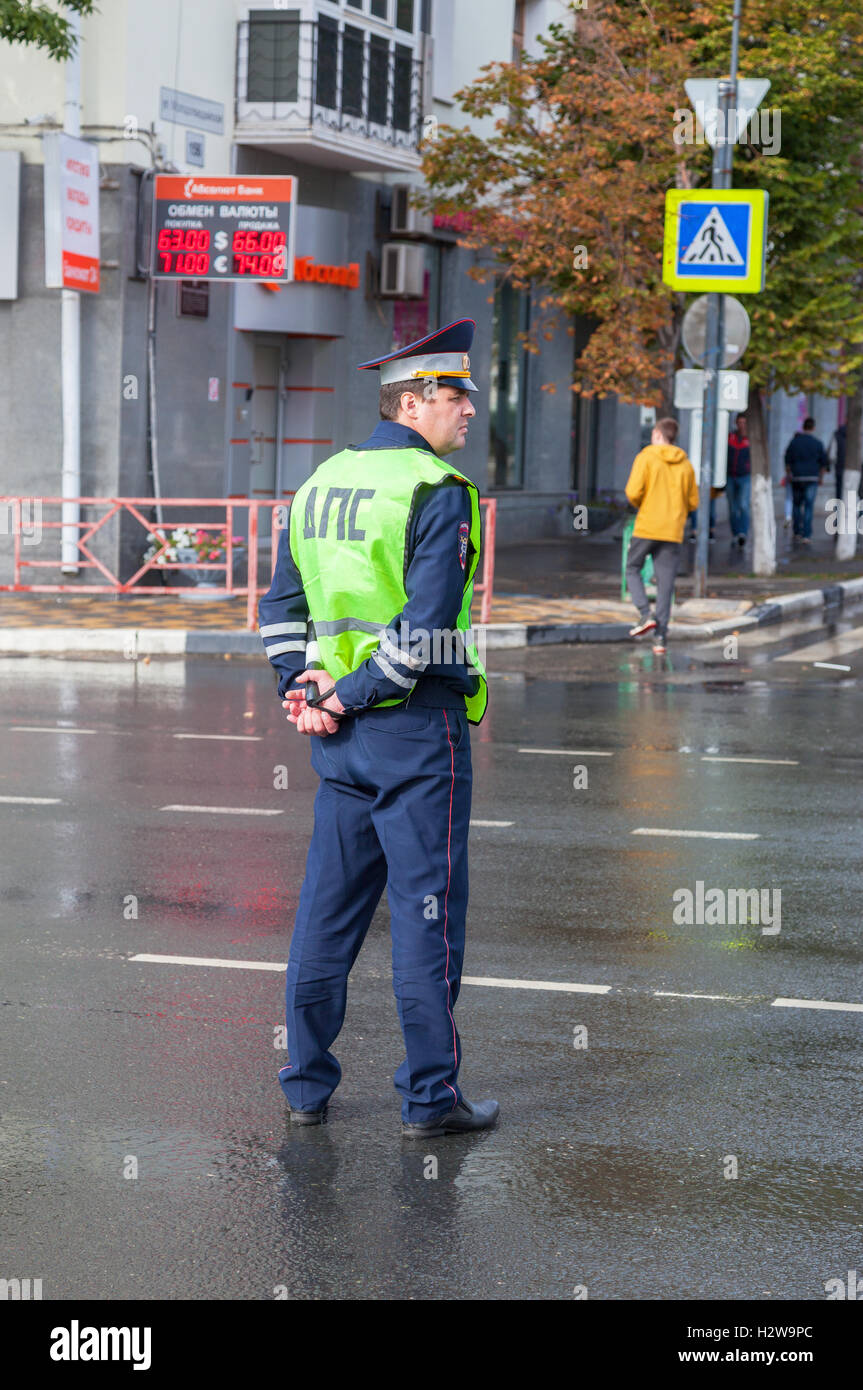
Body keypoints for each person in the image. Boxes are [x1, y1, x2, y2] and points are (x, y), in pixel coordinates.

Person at [258, 319, 499, 1140]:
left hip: (339, 738)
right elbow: (426, 631)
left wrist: (305, 688)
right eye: (457, 395)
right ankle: (429, 1100)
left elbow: (280, 610)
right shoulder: (438, 491)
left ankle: (303, 1086)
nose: (470, 409)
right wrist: (346, 695)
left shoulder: (319, 482)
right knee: (426, 916)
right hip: (412, 729)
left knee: (326, 914)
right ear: (415, 400)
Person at [625, 416, 699, 655]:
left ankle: (645, 614)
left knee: (632, 567)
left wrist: (643, 504)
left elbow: (632, 492)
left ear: (658, 435)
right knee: (666, 583)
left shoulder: (646, 457)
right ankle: (660, 639)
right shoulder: (686, 464)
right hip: (673, 529)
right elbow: (693, 501)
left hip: (647, 526)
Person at [784, 416, 826, 545]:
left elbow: (787, 460)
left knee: (797, 505)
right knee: (808, 506)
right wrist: (821, 478)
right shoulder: (817, 443)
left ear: (803, 427)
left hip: (797, 477)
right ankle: (806, 534)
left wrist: (789, 474)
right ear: (813, 428)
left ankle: (797, 531)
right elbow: (823, 463)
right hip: (812, 477)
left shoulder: (794, 442)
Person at [726, 412, 751, 549]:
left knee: (743, 505)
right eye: (739, 422)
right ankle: (735, 533)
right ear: (736, 423)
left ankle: (743, 533)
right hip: (730, 476)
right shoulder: (730, 437)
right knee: (732, 507)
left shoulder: (751, 439)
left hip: (744, 476)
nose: (741, 425)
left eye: (744, 423)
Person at [826, 421, 846, 502]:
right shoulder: (858, 433)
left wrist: (830, 464)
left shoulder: (837, 434)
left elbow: (832, 455)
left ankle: (840, 513)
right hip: (856, 468)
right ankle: (851, 513)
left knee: (839, 493)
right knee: (853, 492)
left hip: (840, 467)